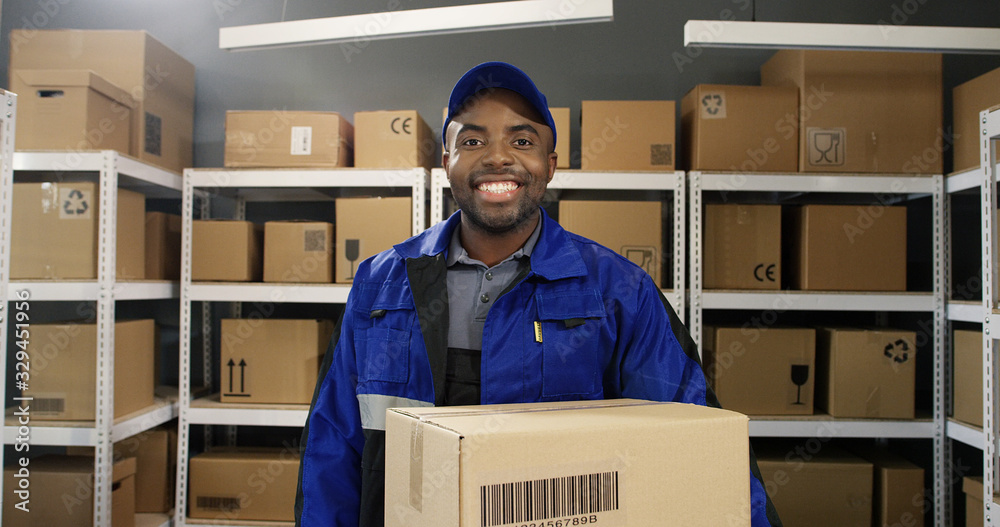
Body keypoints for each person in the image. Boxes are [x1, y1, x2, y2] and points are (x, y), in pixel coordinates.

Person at [296, 61, 781, 527]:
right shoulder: (380, 284)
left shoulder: (618, 291)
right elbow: (333, 449)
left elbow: (694, 439)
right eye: (472, 140)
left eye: (522, 140)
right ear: (447, 162)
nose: (497, 156)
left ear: (550, 165)